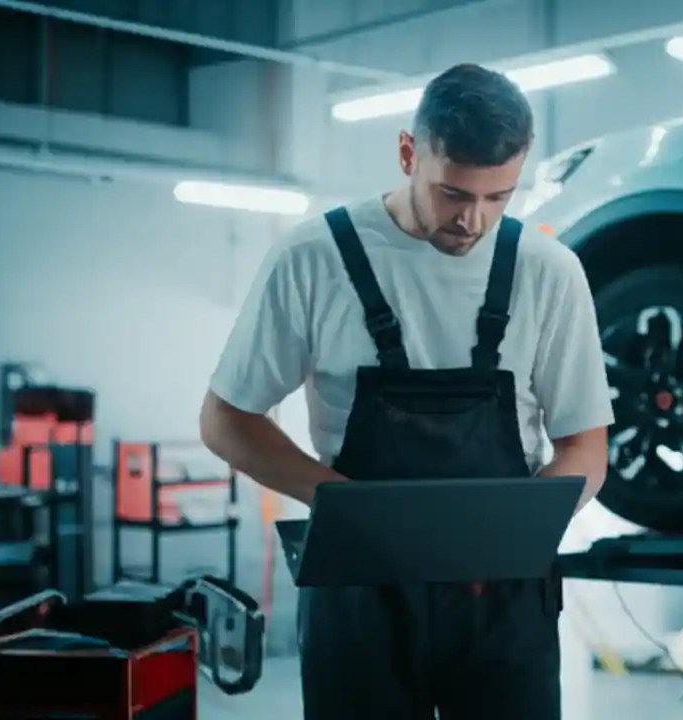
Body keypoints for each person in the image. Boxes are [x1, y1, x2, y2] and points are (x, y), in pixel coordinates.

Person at [199, 62, 614, 719]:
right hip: (359, 593)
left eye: (499, 196)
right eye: (453, 193)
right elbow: (226, 420)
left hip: (501, 598)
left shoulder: (549, 271)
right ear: (406, 153)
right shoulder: (314, 258)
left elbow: (586, 447)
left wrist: (511, 540)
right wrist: (343, 505)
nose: (473, 221)